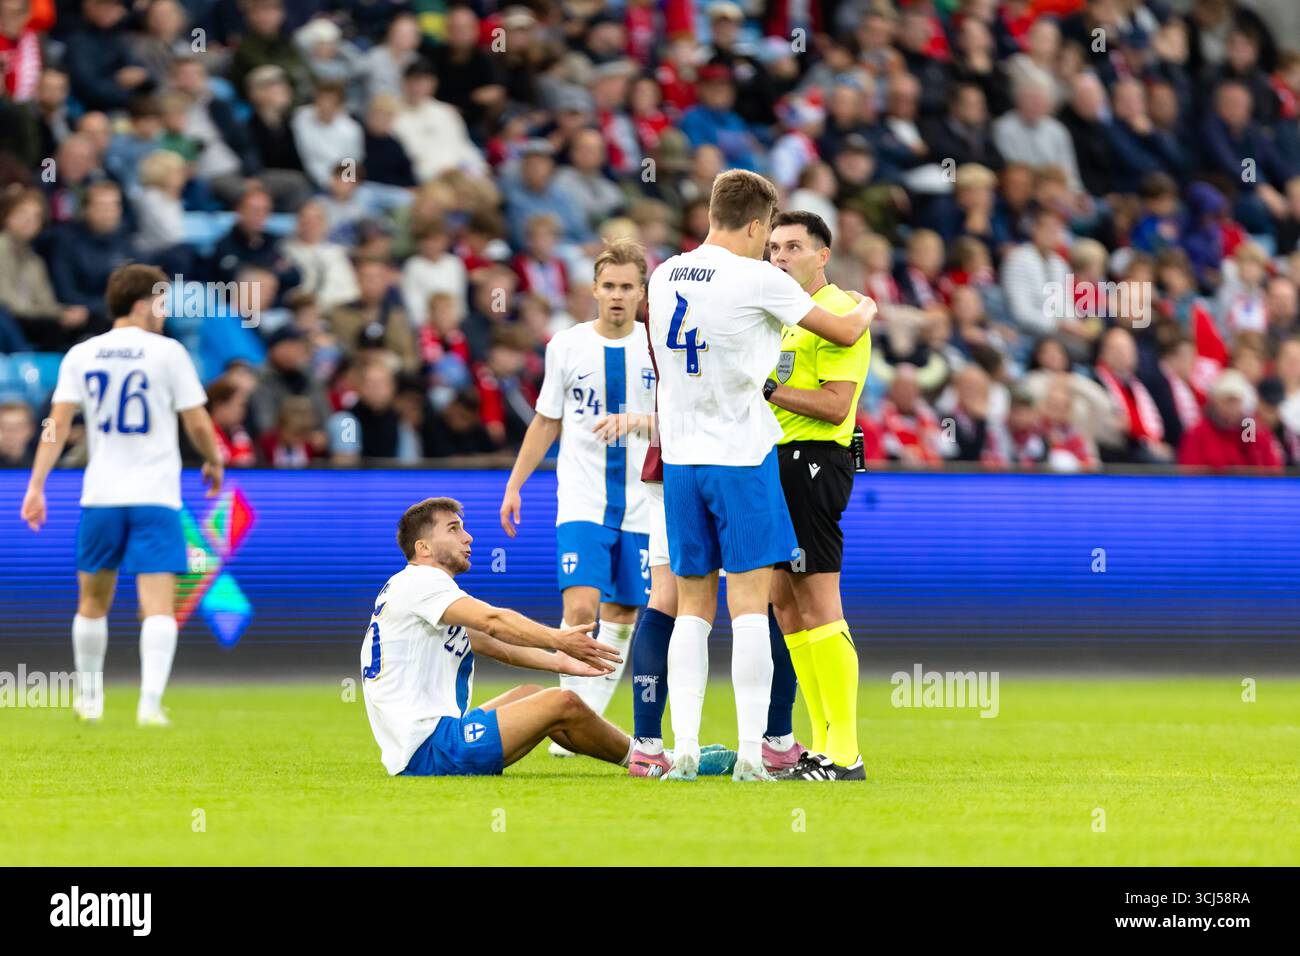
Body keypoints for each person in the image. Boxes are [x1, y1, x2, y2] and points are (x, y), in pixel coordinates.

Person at [646, 169, 874, 781]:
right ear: (754, 224)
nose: (770, 246)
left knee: (692, 608)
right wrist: (869, 303)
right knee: (751, 609)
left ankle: (683, 750)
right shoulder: (758, 279)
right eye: (768, 233)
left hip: (681, 459)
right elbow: (848, 328)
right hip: (743, 457)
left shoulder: (664, 272)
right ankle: (753, 754)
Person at [361, 496, 734, 777]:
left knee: (531, 696)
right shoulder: (423, 582)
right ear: (422, 548)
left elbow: (489, 643)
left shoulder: (409, 588)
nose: (468, 536)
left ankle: (645, 757)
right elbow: (492, 620)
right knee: (562, 702)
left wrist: (558, 660)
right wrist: (560, 639)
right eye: (454, 529)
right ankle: (654, 761)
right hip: (431, 749)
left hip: (425, 741)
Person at [19, 264, 223, 726]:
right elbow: (196, 421)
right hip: (155, 496)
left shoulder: (81, 354)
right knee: (157, 604)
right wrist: (214, 459)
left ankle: (89, 700)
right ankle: (149, 705)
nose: (165, 312)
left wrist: (36, 484)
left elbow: (57, 424)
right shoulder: (168, 353)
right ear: (140, 304)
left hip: (101, 495)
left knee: (92, 602)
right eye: (161, 301)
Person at [499, 239, 655, 745]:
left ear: (641, 291)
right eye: (608, 286)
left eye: (627, 287)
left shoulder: (658, 348)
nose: (616, 295)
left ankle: (585, 721)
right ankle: (569, 723)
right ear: (593, 288)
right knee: (582, 610)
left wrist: (640, 423)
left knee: (624, 614)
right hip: (582, 502)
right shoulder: (566, 345)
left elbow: (684, 418)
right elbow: (547, 420)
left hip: (642, 504)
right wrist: (515, 484)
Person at [762, 210, 870, 781]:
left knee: (821, 604)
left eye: (794, 247)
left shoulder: (839, 315)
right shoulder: (789, 318)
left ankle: (845, 753)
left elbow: (834, 405)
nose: (780, 257)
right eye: (774, 247)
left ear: (822, 255)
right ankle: (822, 743)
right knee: (785, 603)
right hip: (776, 462)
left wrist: (770, 389)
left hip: (812, 462)